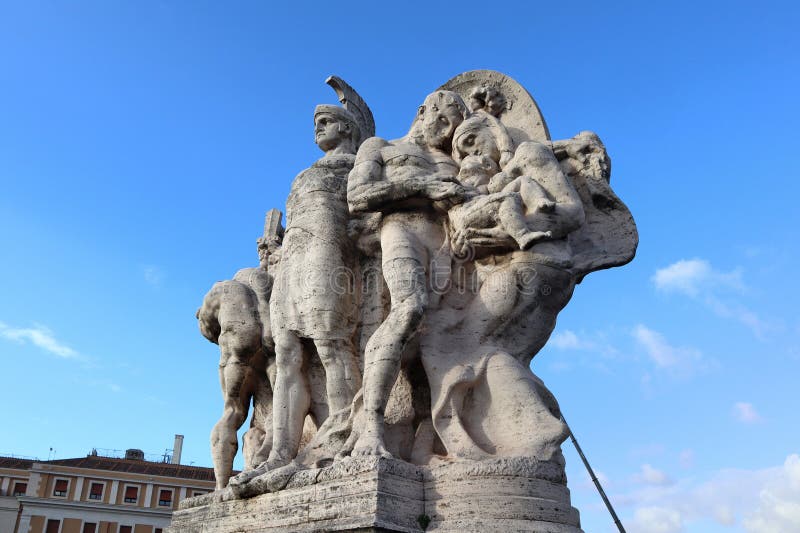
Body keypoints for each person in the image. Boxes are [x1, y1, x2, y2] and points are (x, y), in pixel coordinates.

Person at [346, 90, 469, 457]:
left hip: (449, 246)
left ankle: (432, 433)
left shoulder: (452, 159)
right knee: (410, 307)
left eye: (453, 129)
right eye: (444, 121)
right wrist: (422, 187)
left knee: (447, 333)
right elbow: (358, 196)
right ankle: (370, 425)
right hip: (400, 230)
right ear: (422, 111)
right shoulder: (380, 146)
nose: (447, 133)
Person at [264, 105, 363, 469]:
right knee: (286, 354)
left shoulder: (361, 161)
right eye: (315, 124)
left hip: (329, 254)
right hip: (292, 259)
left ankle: (346, 440)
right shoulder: (304, 174)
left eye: (326, 122)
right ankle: (280, 453)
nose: (317, 129)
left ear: (348, 128)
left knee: (331, 345)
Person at [197, 236, 276, 490]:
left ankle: (221, 487)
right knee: (279, 400)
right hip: (270, 337)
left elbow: (207, 327)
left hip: (239, 341)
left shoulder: (227, 286)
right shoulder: (266, 279)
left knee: (233, 412)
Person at [448, 113, 585, 256]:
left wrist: (507, 232)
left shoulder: (526, 152)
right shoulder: (484, 183)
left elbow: (572, 214)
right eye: (466, 154)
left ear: (492, 130)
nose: (473, 152)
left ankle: (537, 203)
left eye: (471, 141)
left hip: (549, 237)